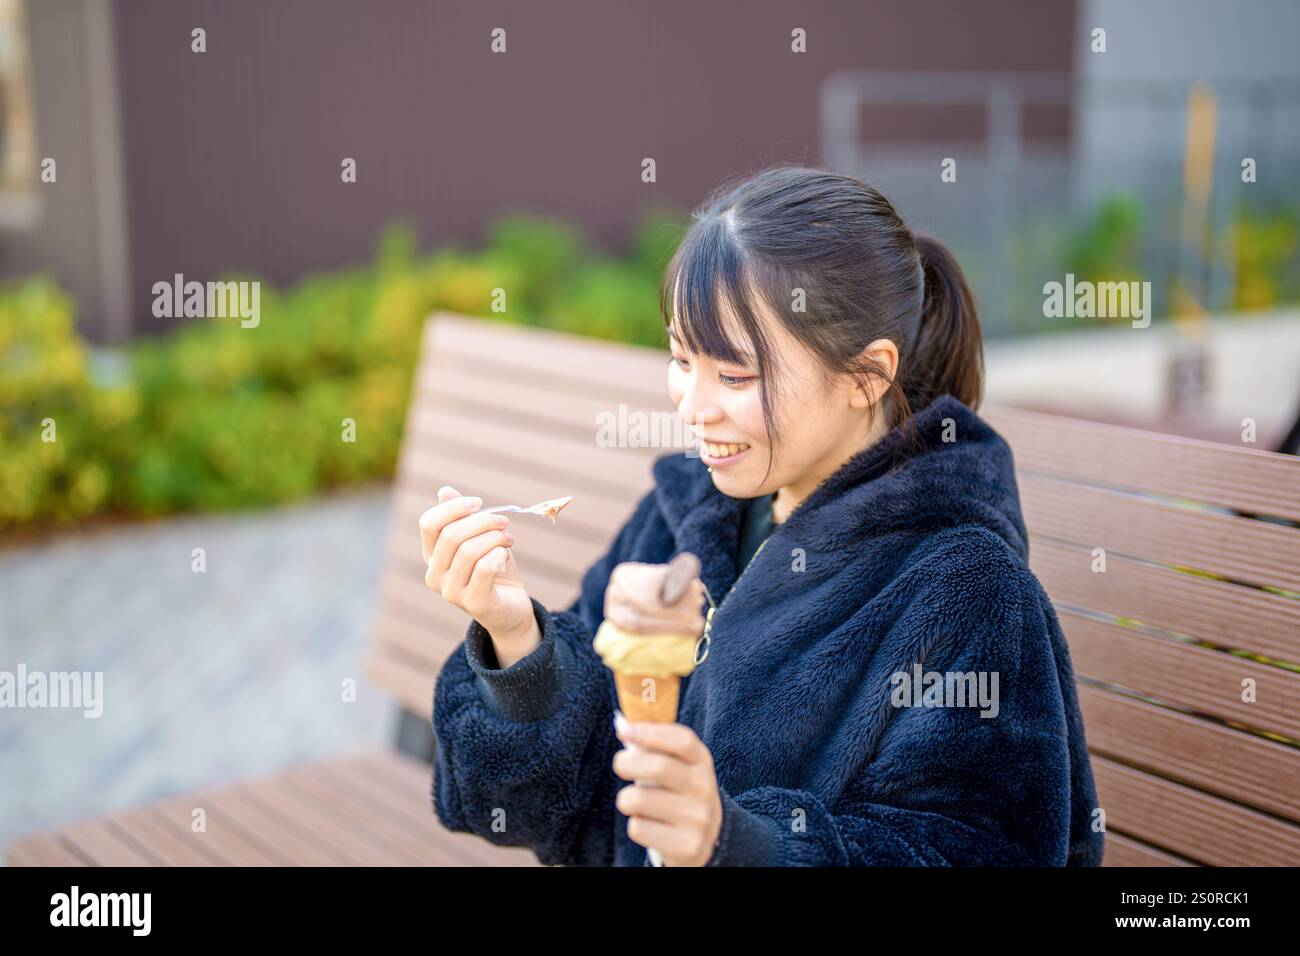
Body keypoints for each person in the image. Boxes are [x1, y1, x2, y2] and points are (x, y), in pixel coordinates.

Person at [421, 164, 1105, 867]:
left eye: (735, 376)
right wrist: (516, 640)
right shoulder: (686, 514)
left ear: (867, 376)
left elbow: (977, 848)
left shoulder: (964, 590)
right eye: (681, 359)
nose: (692, 405)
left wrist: (738, 843)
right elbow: (560, 802)